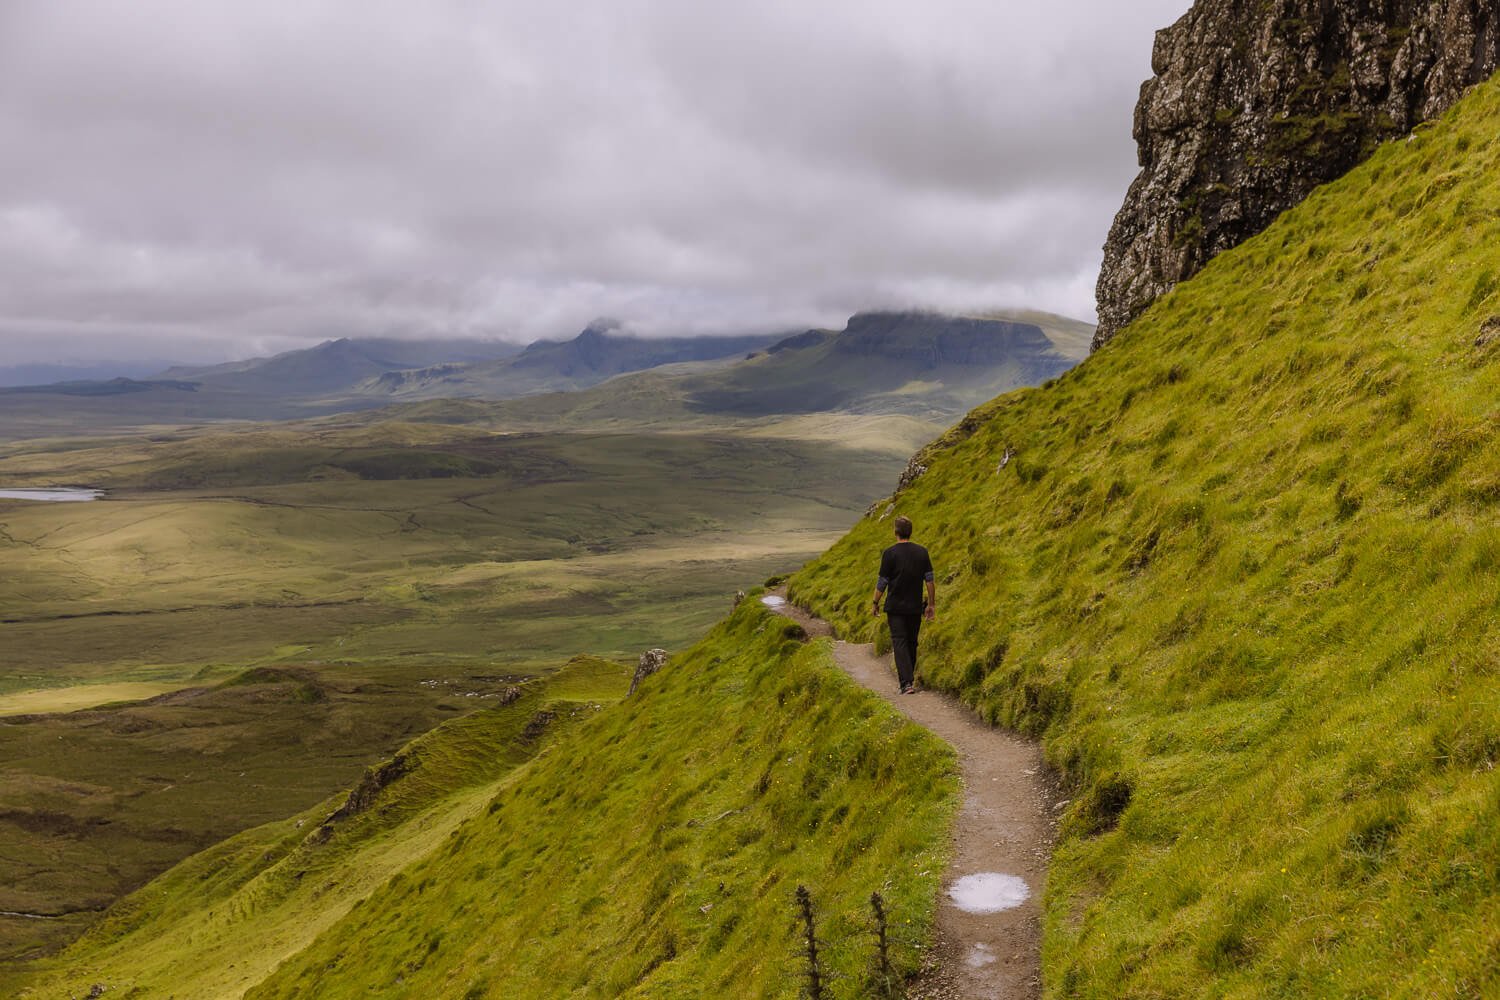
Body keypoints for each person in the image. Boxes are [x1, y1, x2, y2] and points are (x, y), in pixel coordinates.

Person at [870, 515, 935, 694]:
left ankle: (906, 683)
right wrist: (931, 604)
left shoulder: (889, 554)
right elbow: (929, 580)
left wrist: (875, 602)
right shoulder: (922, 552)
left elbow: (882, 582)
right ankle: (908, 680)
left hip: (896, 607)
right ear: (910, 531)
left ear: (895, 532)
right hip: (915, 607)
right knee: (912, 642)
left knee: (900, 642)